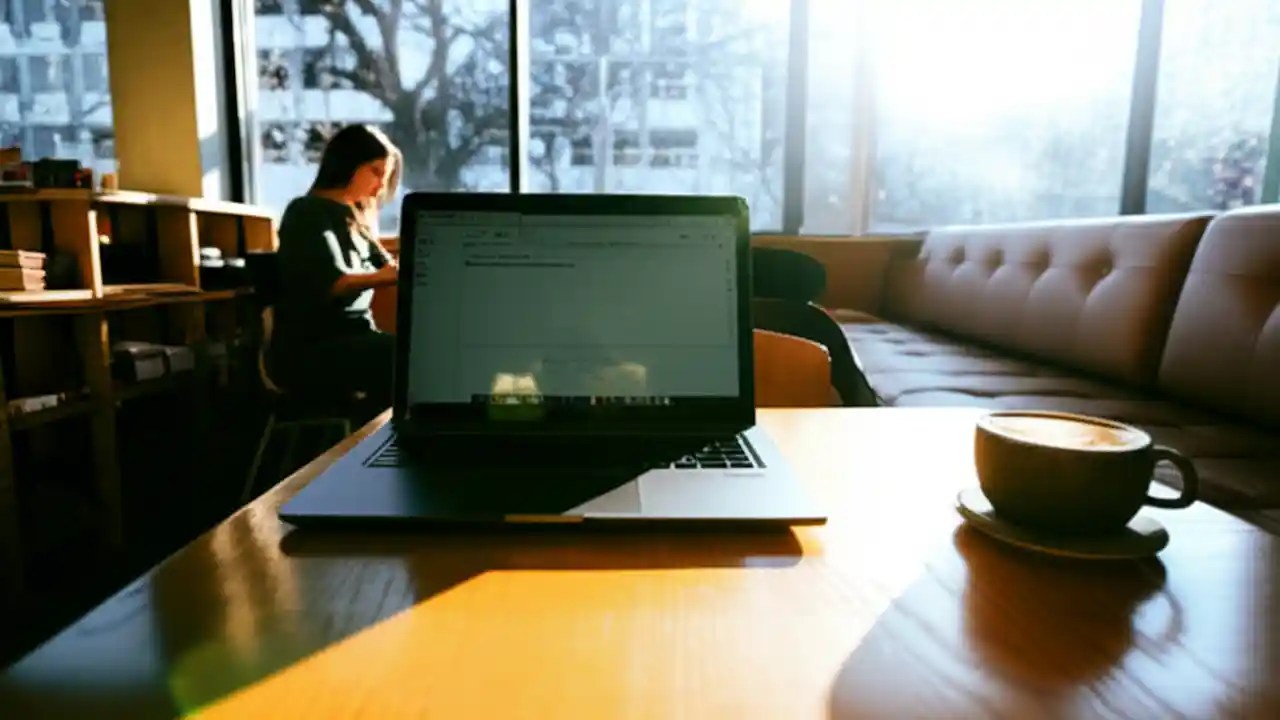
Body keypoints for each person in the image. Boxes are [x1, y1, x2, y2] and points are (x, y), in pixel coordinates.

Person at [268, 124, 404, 420]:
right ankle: (367, 436)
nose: (380, 185)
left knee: (412, 350)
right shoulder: (305, 212)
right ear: (348, 164)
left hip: (353, 339)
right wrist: (385, 276)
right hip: (312, 347)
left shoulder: (353, 219)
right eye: (375, 171)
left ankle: (368, 429)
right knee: (406, 357)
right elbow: (329, 283)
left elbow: (389, 266)